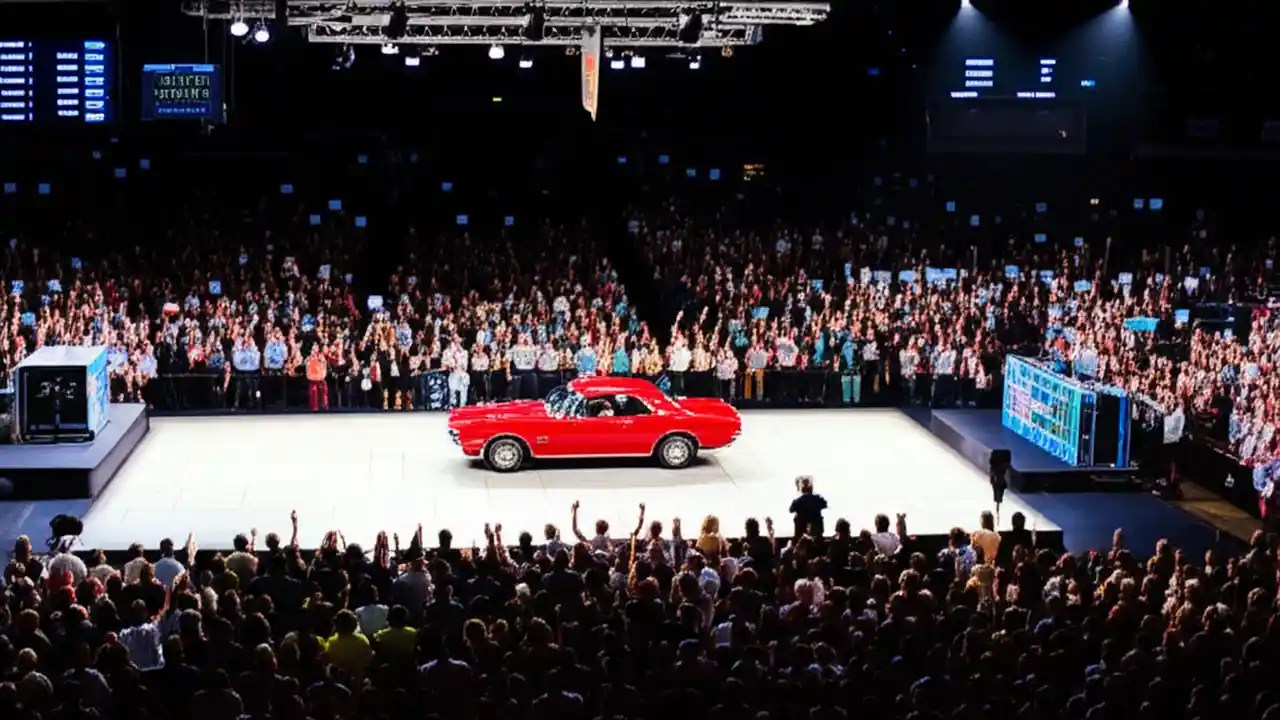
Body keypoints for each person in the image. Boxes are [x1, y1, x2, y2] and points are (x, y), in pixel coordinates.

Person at [789, 475, 827, 539]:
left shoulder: (798, 502)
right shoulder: (818, 499)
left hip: (802, 535)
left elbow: (791, 510)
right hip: (816, 535)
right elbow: (824, 505)